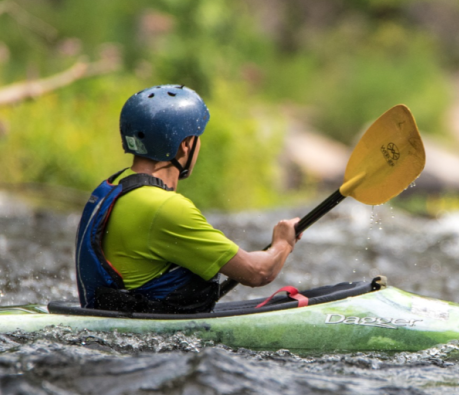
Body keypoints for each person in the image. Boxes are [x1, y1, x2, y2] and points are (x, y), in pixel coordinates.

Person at [75, 84, 299, 313]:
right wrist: (283, 243)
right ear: (185, 145)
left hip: (111, 318)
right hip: (149, 332)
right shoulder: (165, 208)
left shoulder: (113, 185)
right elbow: (258, 272)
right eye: (197, 137)